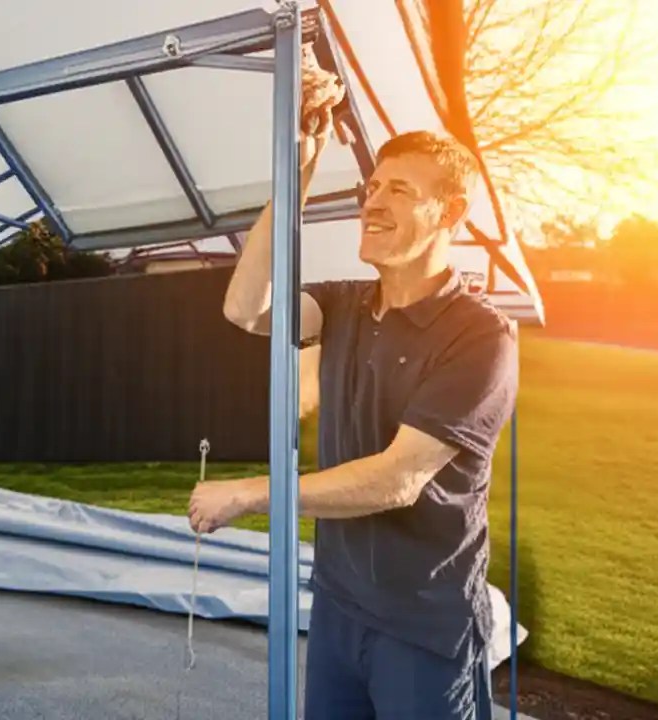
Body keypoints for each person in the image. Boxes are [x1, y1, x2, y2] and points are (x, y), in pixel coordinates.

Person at [187, 56, 518, 720]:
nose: (372, 201)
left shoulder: (481, 338)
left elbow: (397, 480)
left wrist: (254, 493)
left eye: (398, 190)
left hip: (424, 625)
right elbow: (246, 308)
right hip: (339, 607)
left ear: (450, 212)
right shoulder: (344, 306)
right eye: (372, 186)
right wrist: (299, 175)